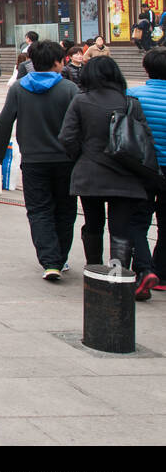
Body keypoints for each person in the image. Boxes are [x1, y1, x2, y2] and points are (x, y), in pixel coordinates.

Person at [61, 56, 159, 297]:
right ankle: (118, 277)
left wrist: (81, 156)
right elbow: (145, 139)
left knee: (93, 224)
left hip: (90, 174)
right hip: (125, 176)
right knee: (121, 230)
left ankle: (94, 273)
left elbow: (67, 137)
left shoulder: (81, 101)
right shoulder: (130, 103)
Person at [0, 40, 80, 281]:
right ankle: (59, 258)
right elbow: (79, 127)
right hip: (66, 162)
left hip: (33, 162)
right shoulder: (69, 89)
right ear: (57, 62)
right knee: (65, 209)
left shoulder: (19, 89)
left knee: (39, 210)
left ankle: (50, 261)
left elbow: (4, 123)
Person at [130, 48, 166, 288]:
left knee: (137, 221)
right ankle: (162, 273)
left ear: (146, 68)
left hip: (142, 168)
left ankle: (144, 270)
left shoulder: (133, 95)